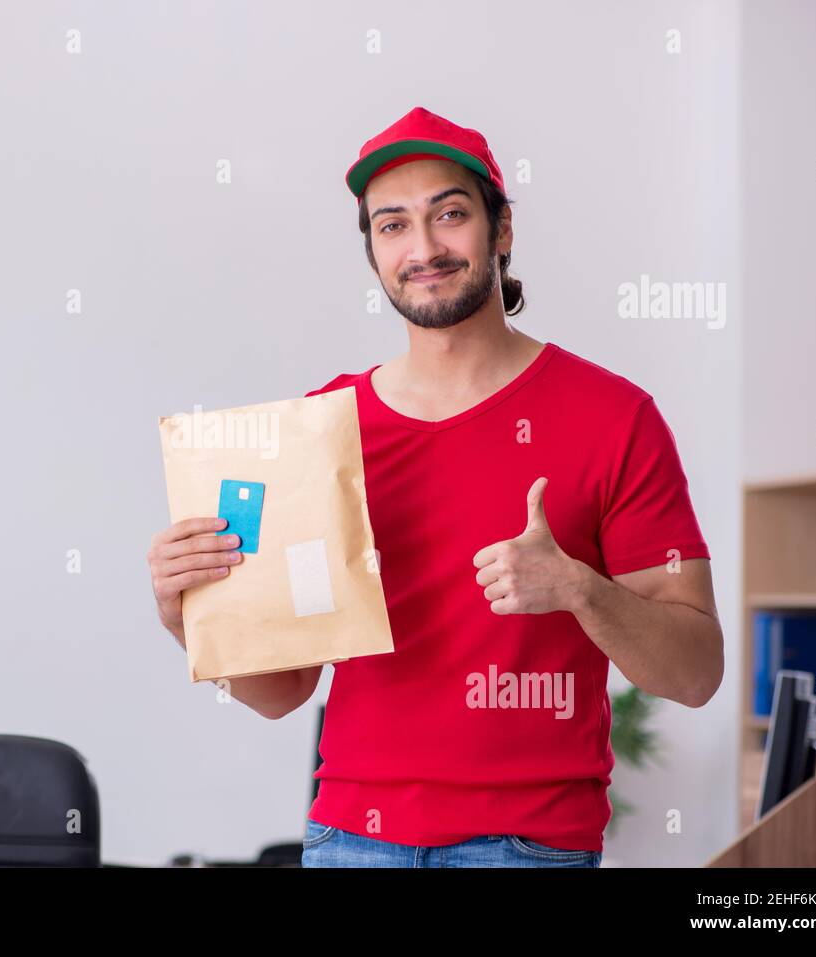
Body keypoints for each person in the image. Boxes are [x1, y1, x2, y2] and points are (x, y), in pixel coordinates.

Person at [145, 107, 722, 868]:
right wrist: (190, 617)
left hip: (529, 849)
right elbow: (281, 690)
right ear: (374, 252)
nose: (423, 248)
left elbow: (696, 671)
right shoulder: (325, 428)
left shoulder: (615, 418)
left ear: (501, 228)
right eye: (392, 226)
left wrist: (582, 589)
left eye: (449, 214)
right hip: (350, 840)